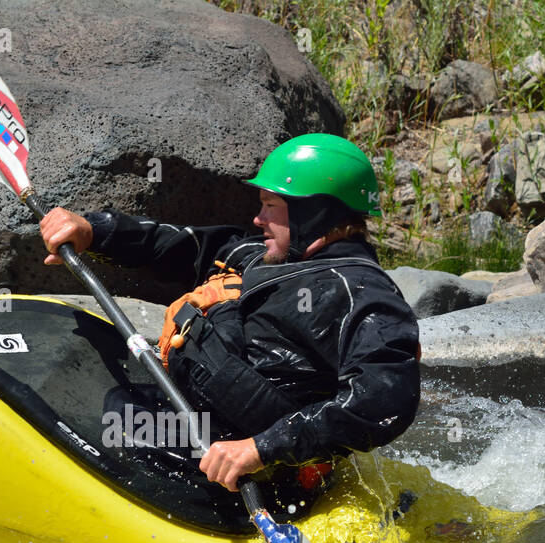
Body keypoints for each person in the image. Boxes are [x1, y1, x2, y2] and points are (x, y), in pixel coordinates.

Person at [38, 133, 419, 504]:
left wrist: (261, 449)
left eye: (270, 206)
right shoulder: (271, 256)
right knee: (101, 403)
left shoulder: (362, 294)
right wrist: (95, 231)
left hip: (256, 473)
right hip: (197, 422)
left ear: (314, 214)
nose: (257, 218)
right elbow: (186, 247)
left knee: (108, 424)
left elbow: (385, 397)